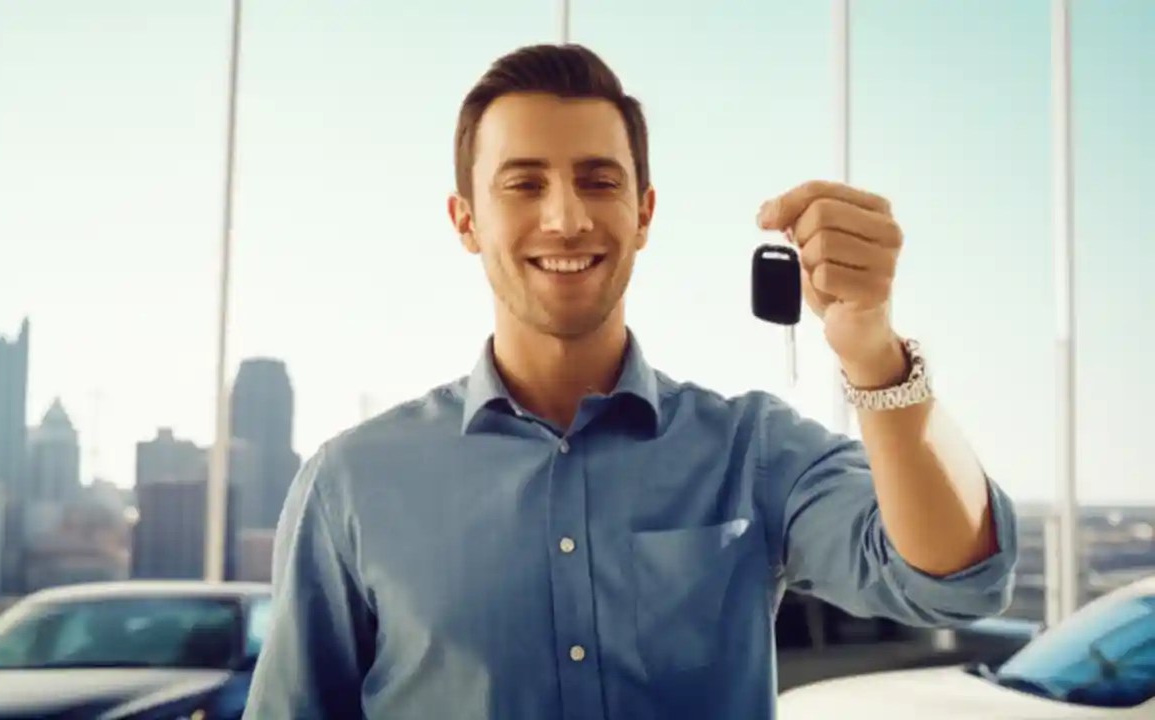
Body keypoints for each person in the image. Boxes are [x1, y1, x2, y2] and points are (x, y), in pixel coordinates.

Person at [244, 43, 1019, 719]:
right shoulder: (351, 483)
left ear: (644, 213)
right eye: (523, 184)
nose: (567, 217)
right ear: (465, 220)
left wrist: (875, 351)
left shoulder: (752, 451)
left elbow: (957, 583)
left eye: (598, 181)